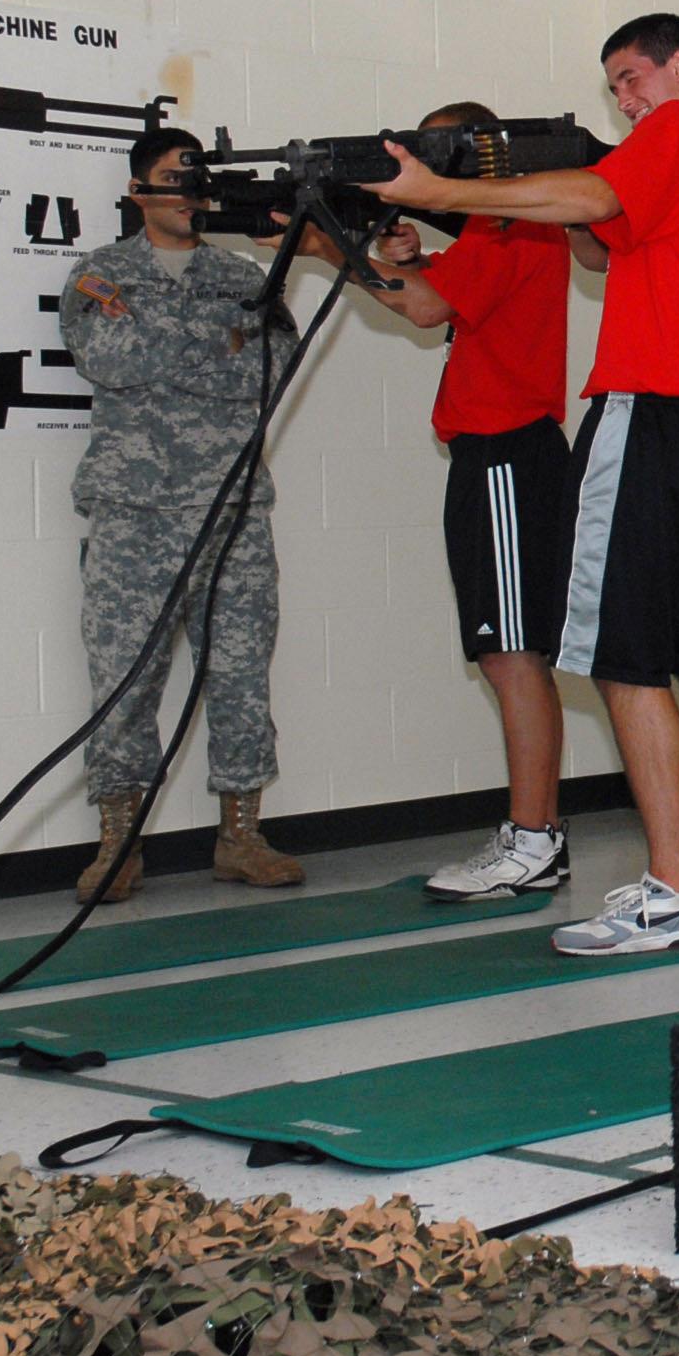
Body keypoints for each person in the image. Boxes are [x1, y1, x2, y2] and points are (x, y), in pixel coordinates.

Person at [364, 14, 679, 956]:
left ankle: (677, 887)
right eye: (614, 88)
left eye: (632, 77)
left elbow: (593, 193)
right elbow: (608, 237)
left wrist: (443, 186)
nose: (626, 99)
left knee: (622, 660)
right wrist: (576, 210)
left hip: (647, 412)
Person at [277, 102, 584, 901]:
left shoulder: (508, 228)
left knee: (513, 654)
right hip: (491, 456)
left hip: (511, 454)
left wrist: (330, 247)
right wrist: (394, 251)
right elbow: (426, 288)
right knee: (501, 652)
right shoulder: (490, 231)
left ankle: (534, 838)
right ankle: (533, 834)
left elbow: (420, 307)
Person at [62, 128, 298, 903]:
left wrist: (168, 337)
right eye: (169, 179)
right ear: (138, 190)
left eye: (195, 180)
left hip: (231, 513)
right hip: (134, 515)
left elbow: (268, 372)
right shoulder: (100, 273)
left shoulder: (244, 274)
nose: (186, 194)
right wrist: (216, 340)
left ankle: (241, 836)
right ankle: (117, 843)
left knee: (239, 675)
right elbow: (109, 361)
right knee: (123, 684)